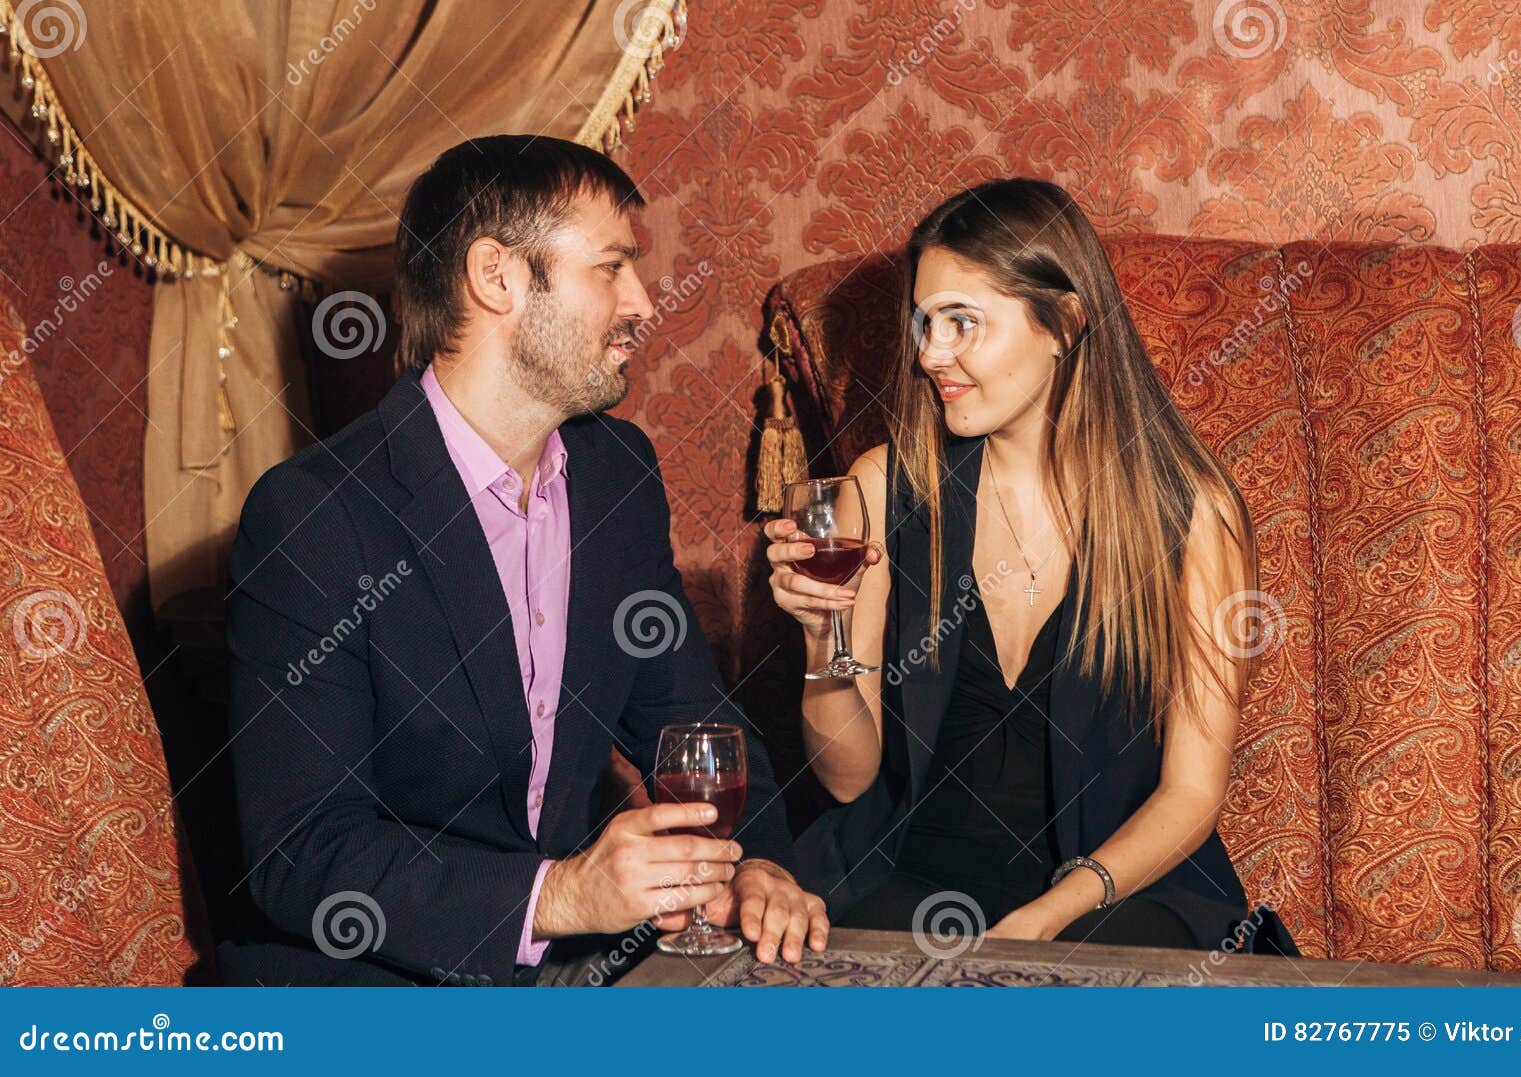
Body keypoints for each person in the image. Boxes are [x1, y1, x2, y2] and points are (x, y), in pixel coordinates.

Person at [220, 135, 827, 986]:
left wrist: (756, 861)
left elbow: (689, 715)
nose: (642, 301)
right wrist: (559, 897)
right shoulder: (315, 515)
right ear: (496, 276)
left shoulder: (616, 473)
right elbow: (304, 851)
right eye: (611, 267)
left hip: (565, 975)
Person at [765, 177, 1298, 957]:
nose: (929, 354)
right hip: (910, 876)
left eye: (962, 323)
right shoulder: (881, 488)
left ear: (1064, 324)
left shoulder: (1190, 511)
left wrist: (1049, 916)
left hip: (1109, 890)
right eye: (924, 323)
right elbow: (848, 778)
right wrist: (824, 642)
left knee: (1101, 974)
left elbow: (1192, 792)